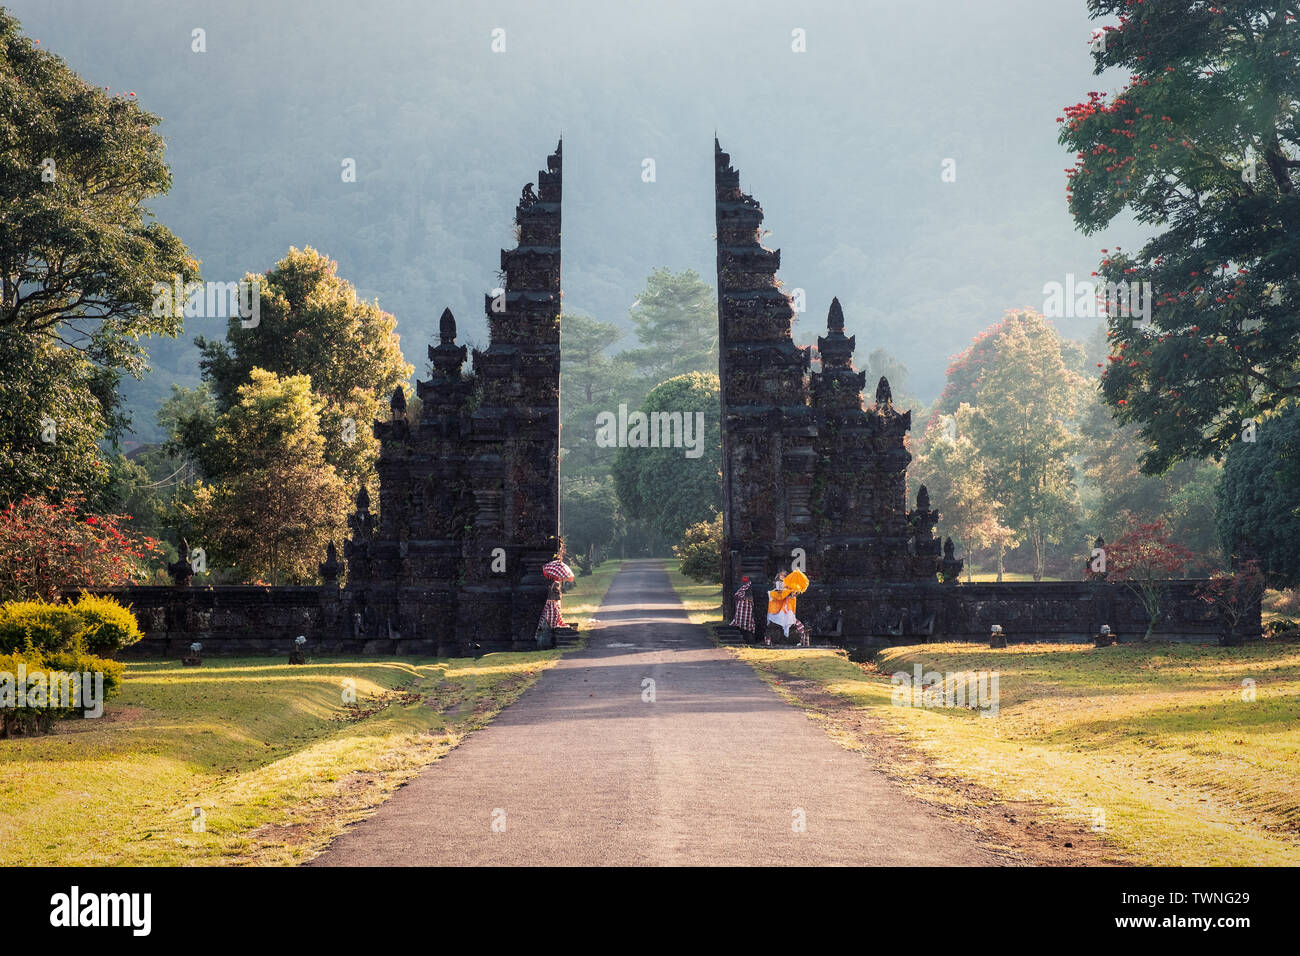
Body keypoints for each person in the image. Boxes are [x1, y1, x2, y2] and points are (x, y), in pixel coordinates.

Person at [538, 543, 575, 647]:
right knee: (553, 615)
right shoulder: (556, 583)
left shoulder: (554, 579)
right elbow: (556, 594)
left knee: (551, 615)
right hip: (553, 601)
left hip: (552, 600)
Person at [767, 567, 811, 647]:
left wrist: (791, 592)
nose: (783, 577)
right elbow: (780, 595)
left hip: (783, 609)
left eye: (784, 575)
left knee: (790, 624)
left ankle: (802, 640)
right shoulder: (780, 584)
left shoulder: (786, 584)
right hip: (780, 610)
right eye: (782, 575)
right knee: (788, 624)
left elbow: (785, 594)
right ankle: (802, 640)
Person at [731, 576, 755, 640]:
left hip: (746, 604)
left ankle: (746, 635)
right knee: (743, 619)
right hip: (744, 604)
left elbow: (737, 595)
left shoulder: (745, 587)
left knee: (746, 619)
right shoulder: (744, 587)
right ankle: (744, 633)